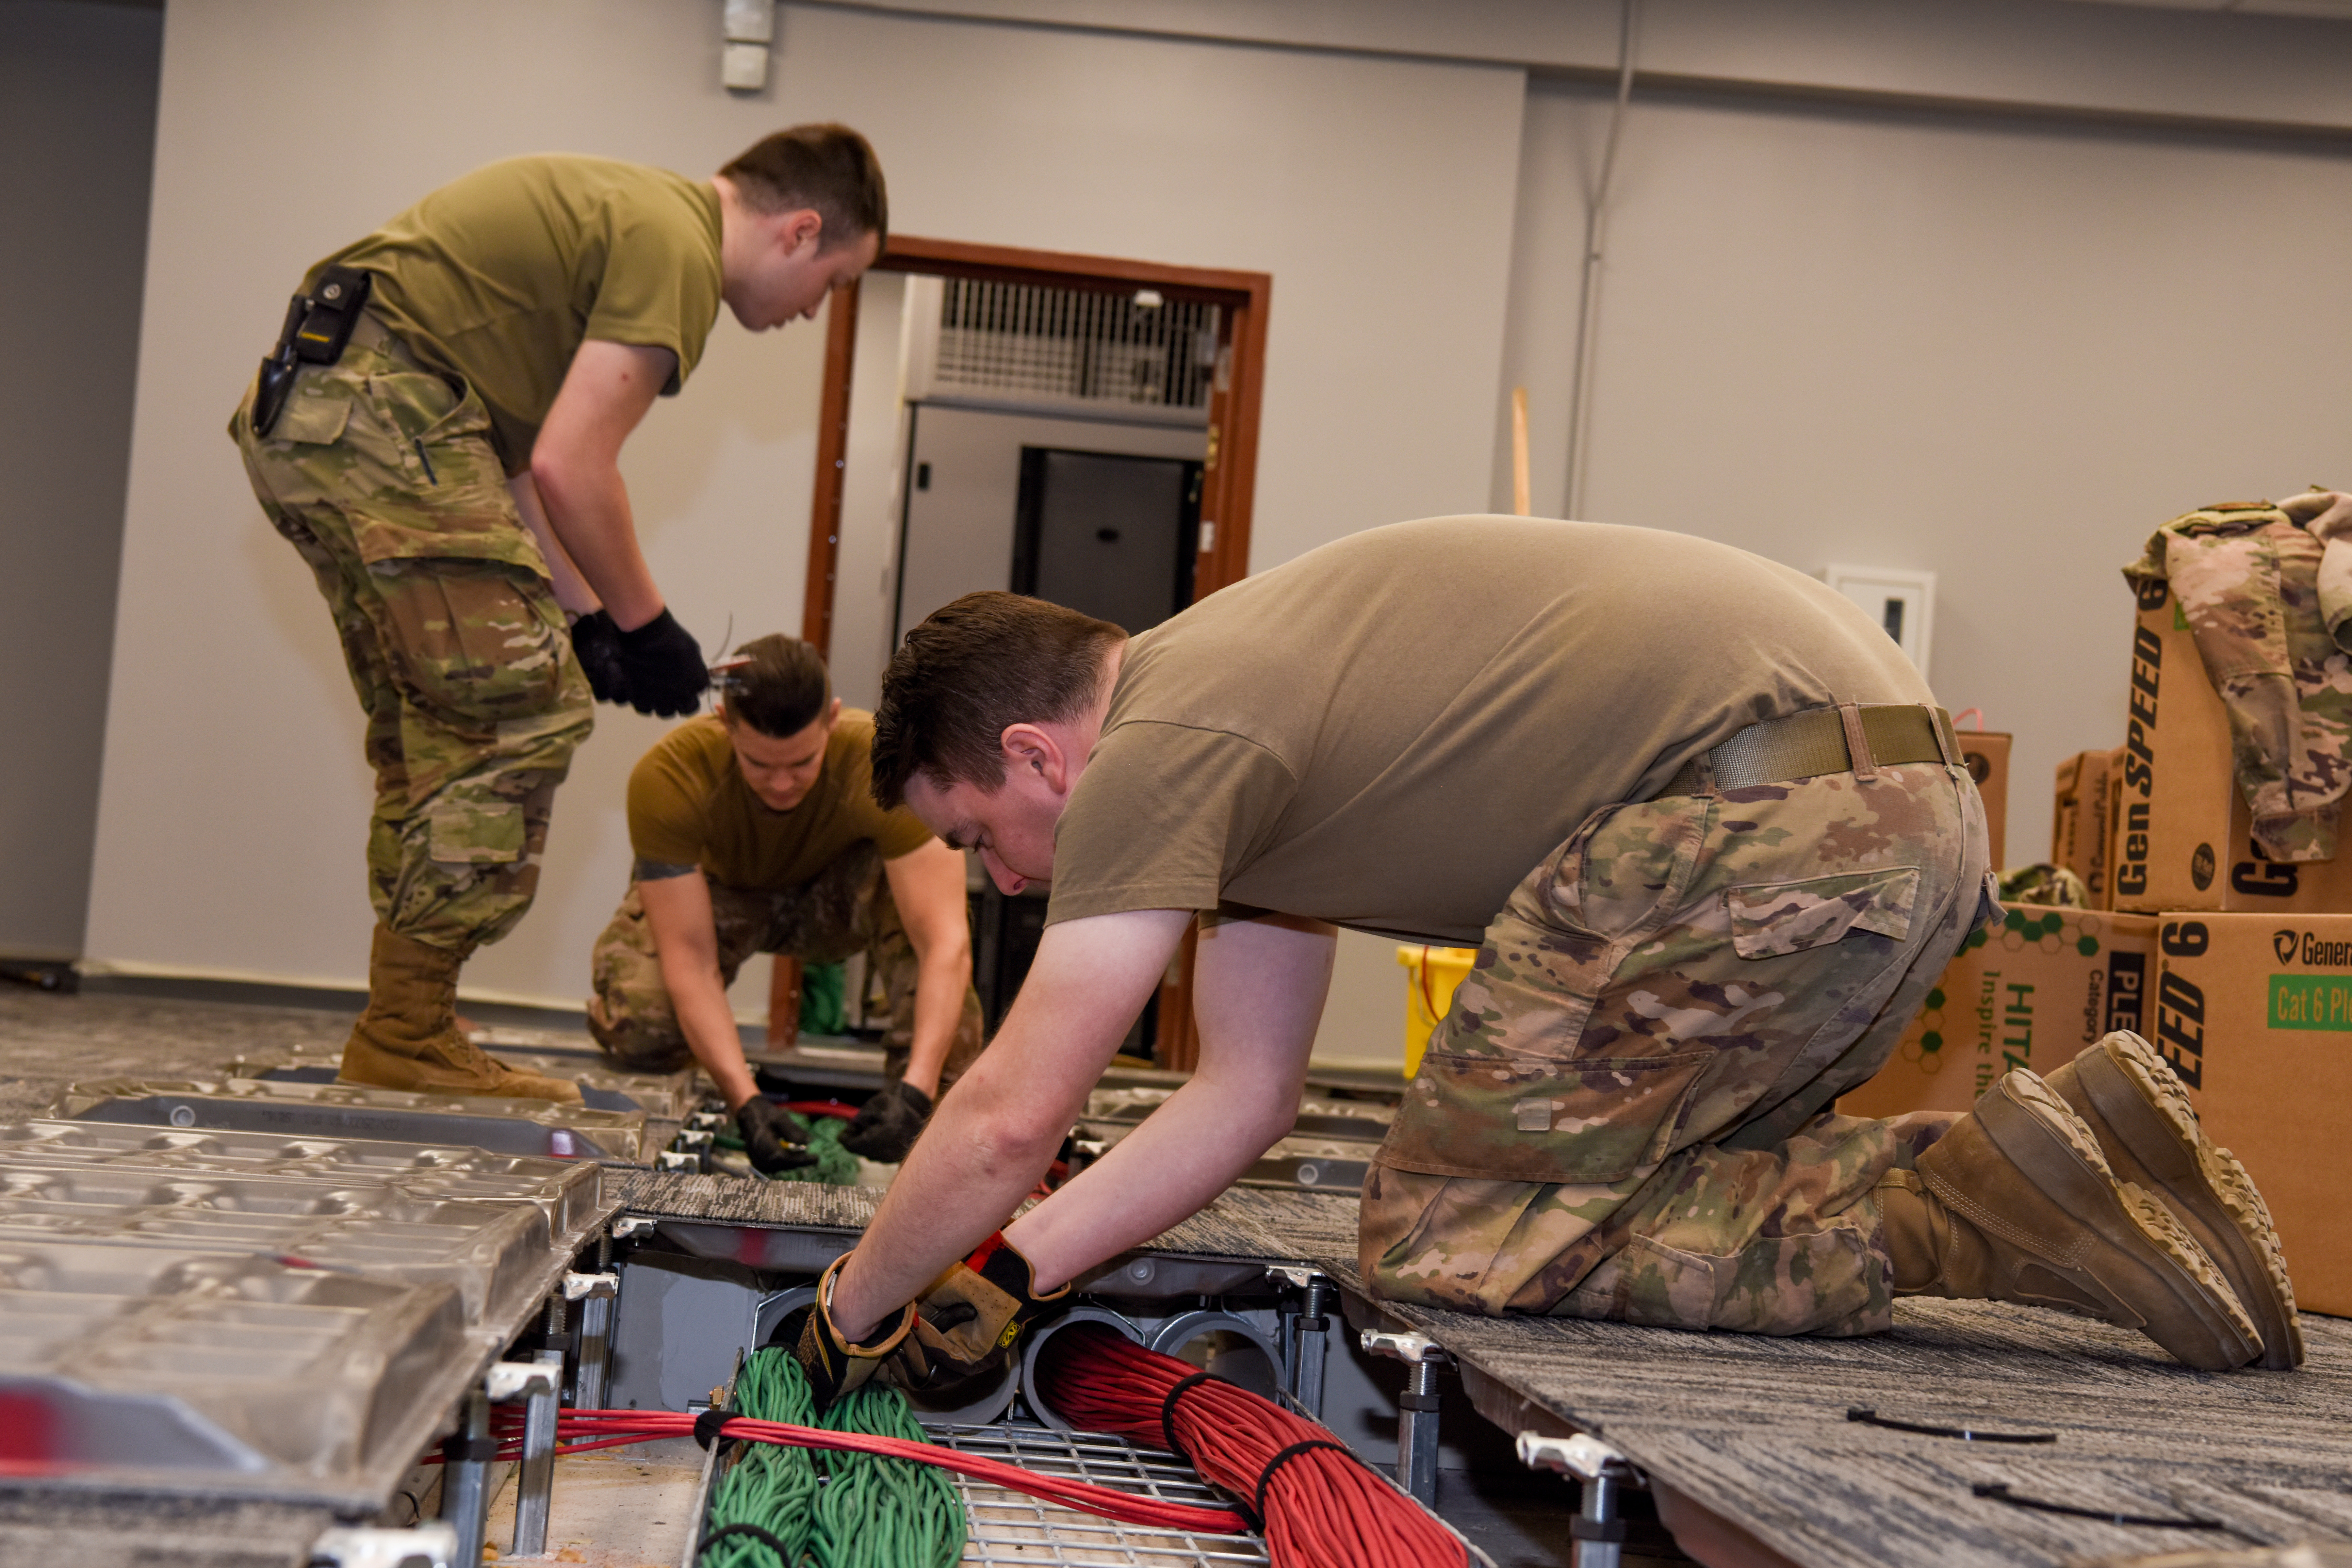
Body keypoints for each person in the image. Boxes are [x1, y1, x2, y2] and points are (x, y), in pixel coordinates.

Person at [787, 515, 2301, 1405]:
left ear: (1042, 756)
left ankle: (1966, 1208)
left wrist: (848, 1307)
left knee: (1451, 1225)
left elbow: (1004, 1116)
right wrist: (1005, 1272)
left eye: (980, 835)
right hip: (1906, 819)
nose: (995, 877)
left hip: (1756, 828)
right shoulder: (1247, 728)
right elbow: (1241, 1096)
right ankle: (2069, 1167)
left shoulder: (1170, 740)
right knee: (1627, 1206)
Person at [230, 127, 886, 1101]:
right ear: (798, 232)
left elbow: (513, 472)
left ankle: (408, 1021)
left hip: (332, 416)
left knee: (443, 720)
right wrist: (650, 627)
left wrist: (589, 623)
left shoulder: (634, 214)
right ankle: (407, 1030)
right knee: (524, 712)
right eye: (834, 282)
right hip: (380, 412)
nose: (817, 312)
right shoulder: (679, 248)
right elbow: (573, 466)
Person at [589, 635, 985, 1169]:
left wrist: (917, 1091)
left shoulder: (887, 765)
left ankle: (921, 1113)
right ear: (725, 723)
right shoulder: (668, 778)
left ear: (832, 720)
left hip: (842, 900)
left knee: (949, 1043)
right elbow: (690, 959)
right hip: (728, 897)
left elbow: (943, 943)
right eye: (759, 764)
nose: (781, 784)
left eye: (801, 763)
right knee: (644, 1021)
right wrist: (745, 1102)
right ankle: (694, 1089)